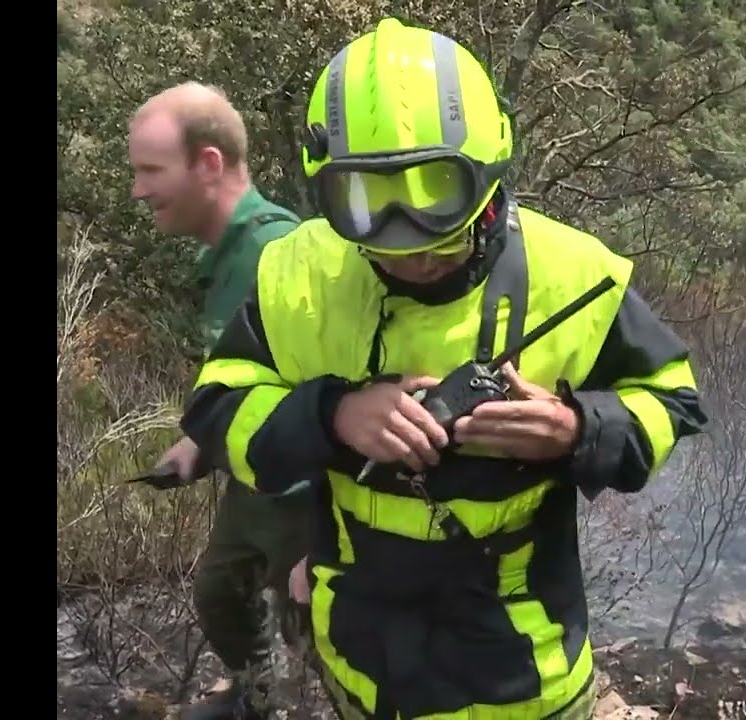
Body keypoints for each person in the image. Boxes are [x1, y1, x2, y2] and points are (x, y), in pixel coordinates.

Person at [174, 18, 709, 720]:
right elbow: (218, 408)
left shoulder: (576, 277)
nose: (409, 245)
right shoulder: (298, 274)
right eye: (367, 200)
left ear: (489, 170)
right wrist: (332, 414)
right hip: (363, 665)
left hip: (525, 674)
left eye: (435, 194)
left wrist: (576, 429)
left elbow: (674, 401)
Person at [126, 81, 311, 720]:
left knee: (311, 636)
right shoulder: (225, 253)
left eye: (151, 170)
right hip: (252, 483)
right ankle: (255, 699)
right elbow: (247, 374)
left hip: (302, 496)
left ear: (208, 164)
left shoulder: (278, 252)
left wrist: (325, 540)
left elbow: (333, 389)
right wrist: (196, 444)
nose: (138, 189)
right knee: (218, 592)